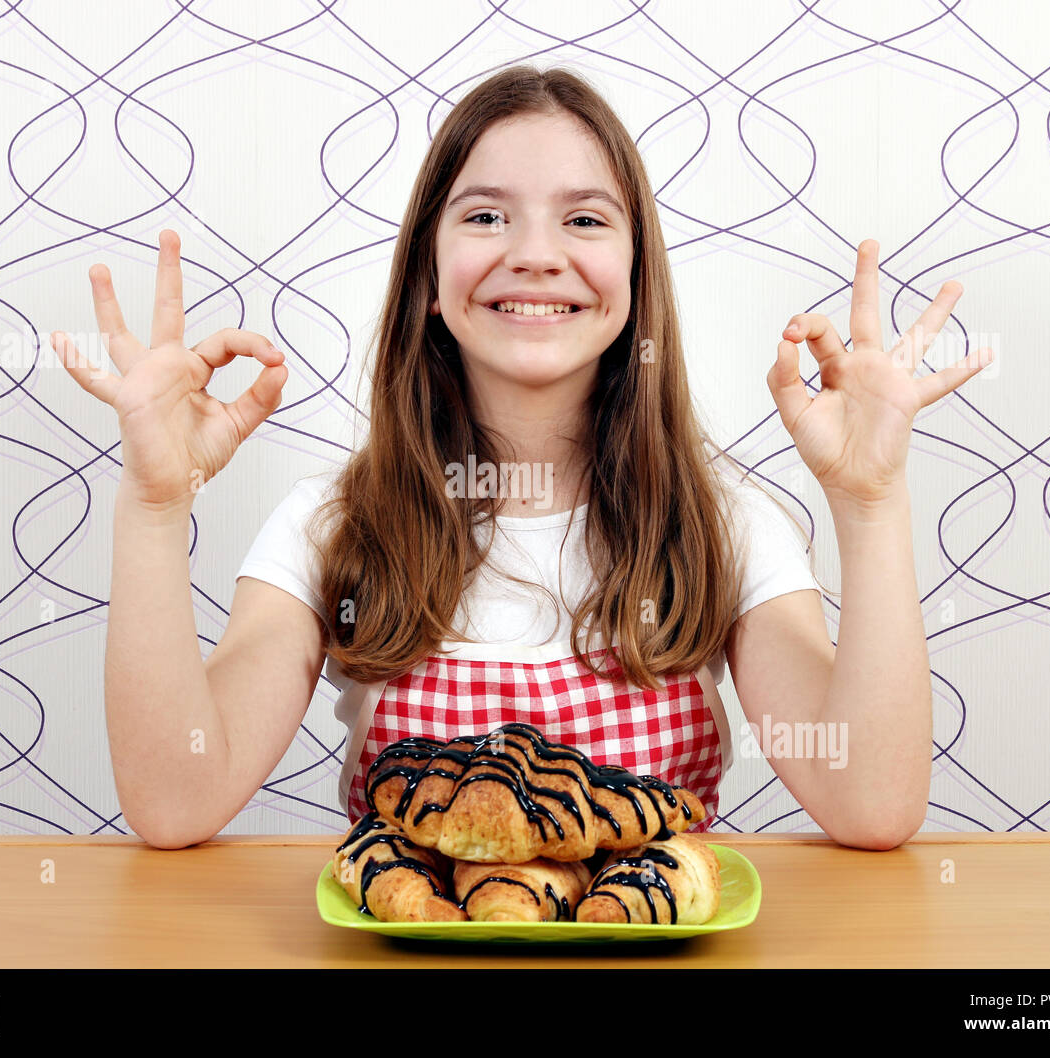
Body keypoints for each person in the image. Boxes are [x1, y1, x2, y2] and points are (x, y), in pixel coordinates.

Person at [53, 64, 991, 852]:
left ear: (634, 277)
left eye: (585, 221)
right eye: (486, 217)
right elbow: (175, 803)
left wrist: (869, 505)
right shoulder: (333, 526)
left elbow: (871, 804)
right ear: (427, 276)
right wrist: (152, 502)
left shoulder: (725, 526)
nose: (537, 254)